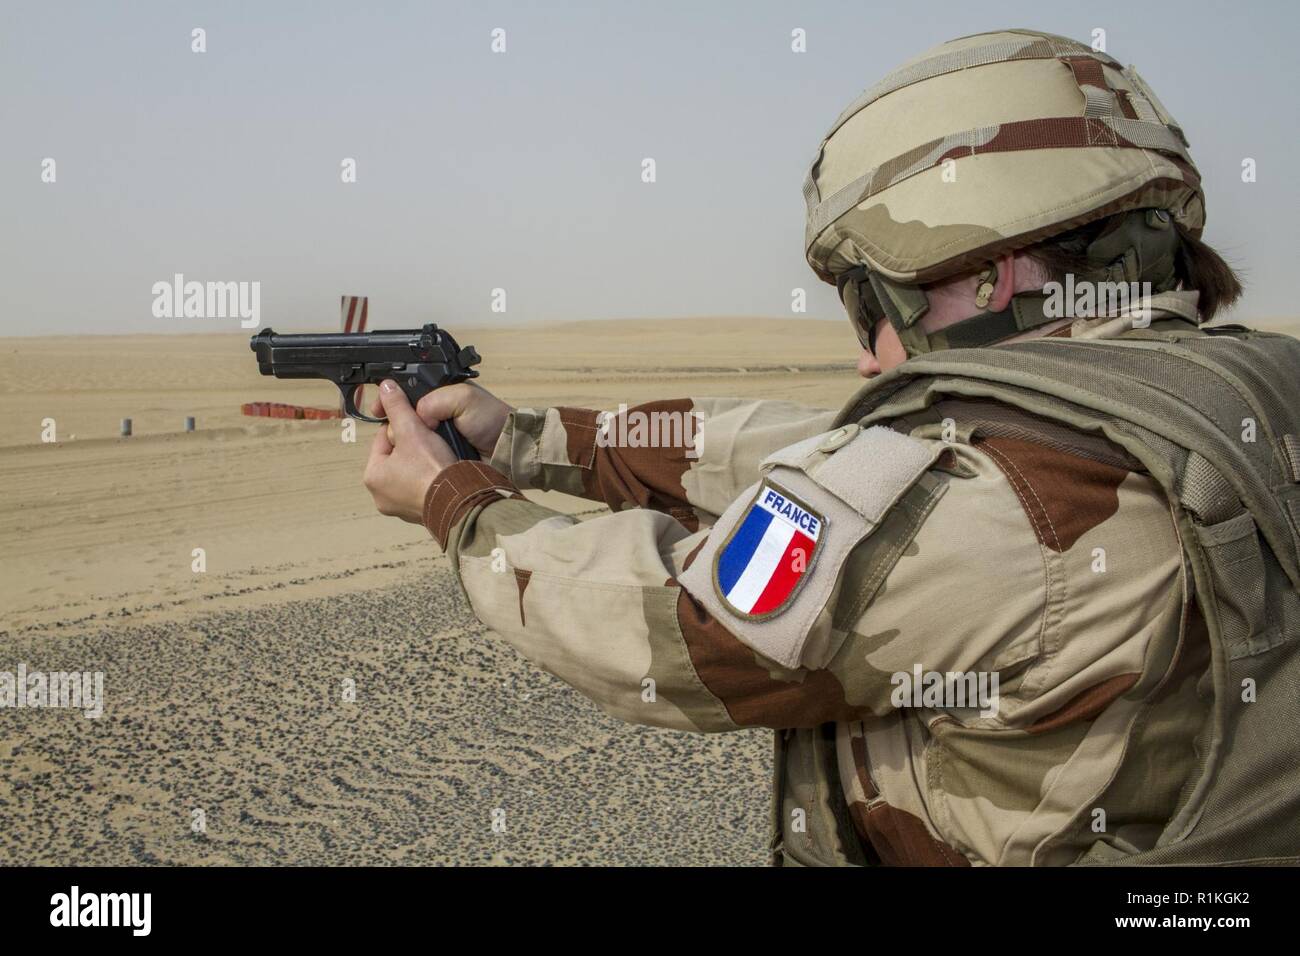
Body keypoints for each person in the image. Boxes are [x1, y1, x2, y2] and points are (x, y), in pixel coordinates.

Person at [361, 29, 1300, 866]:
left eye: (868, 300)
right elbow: (830, 452)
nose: (863, 353)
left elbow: (678, 635)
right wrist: (524, 438)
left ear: (991, 276)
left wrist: (456, 505)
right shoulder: (1215, 396)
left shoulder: (1006, 501)